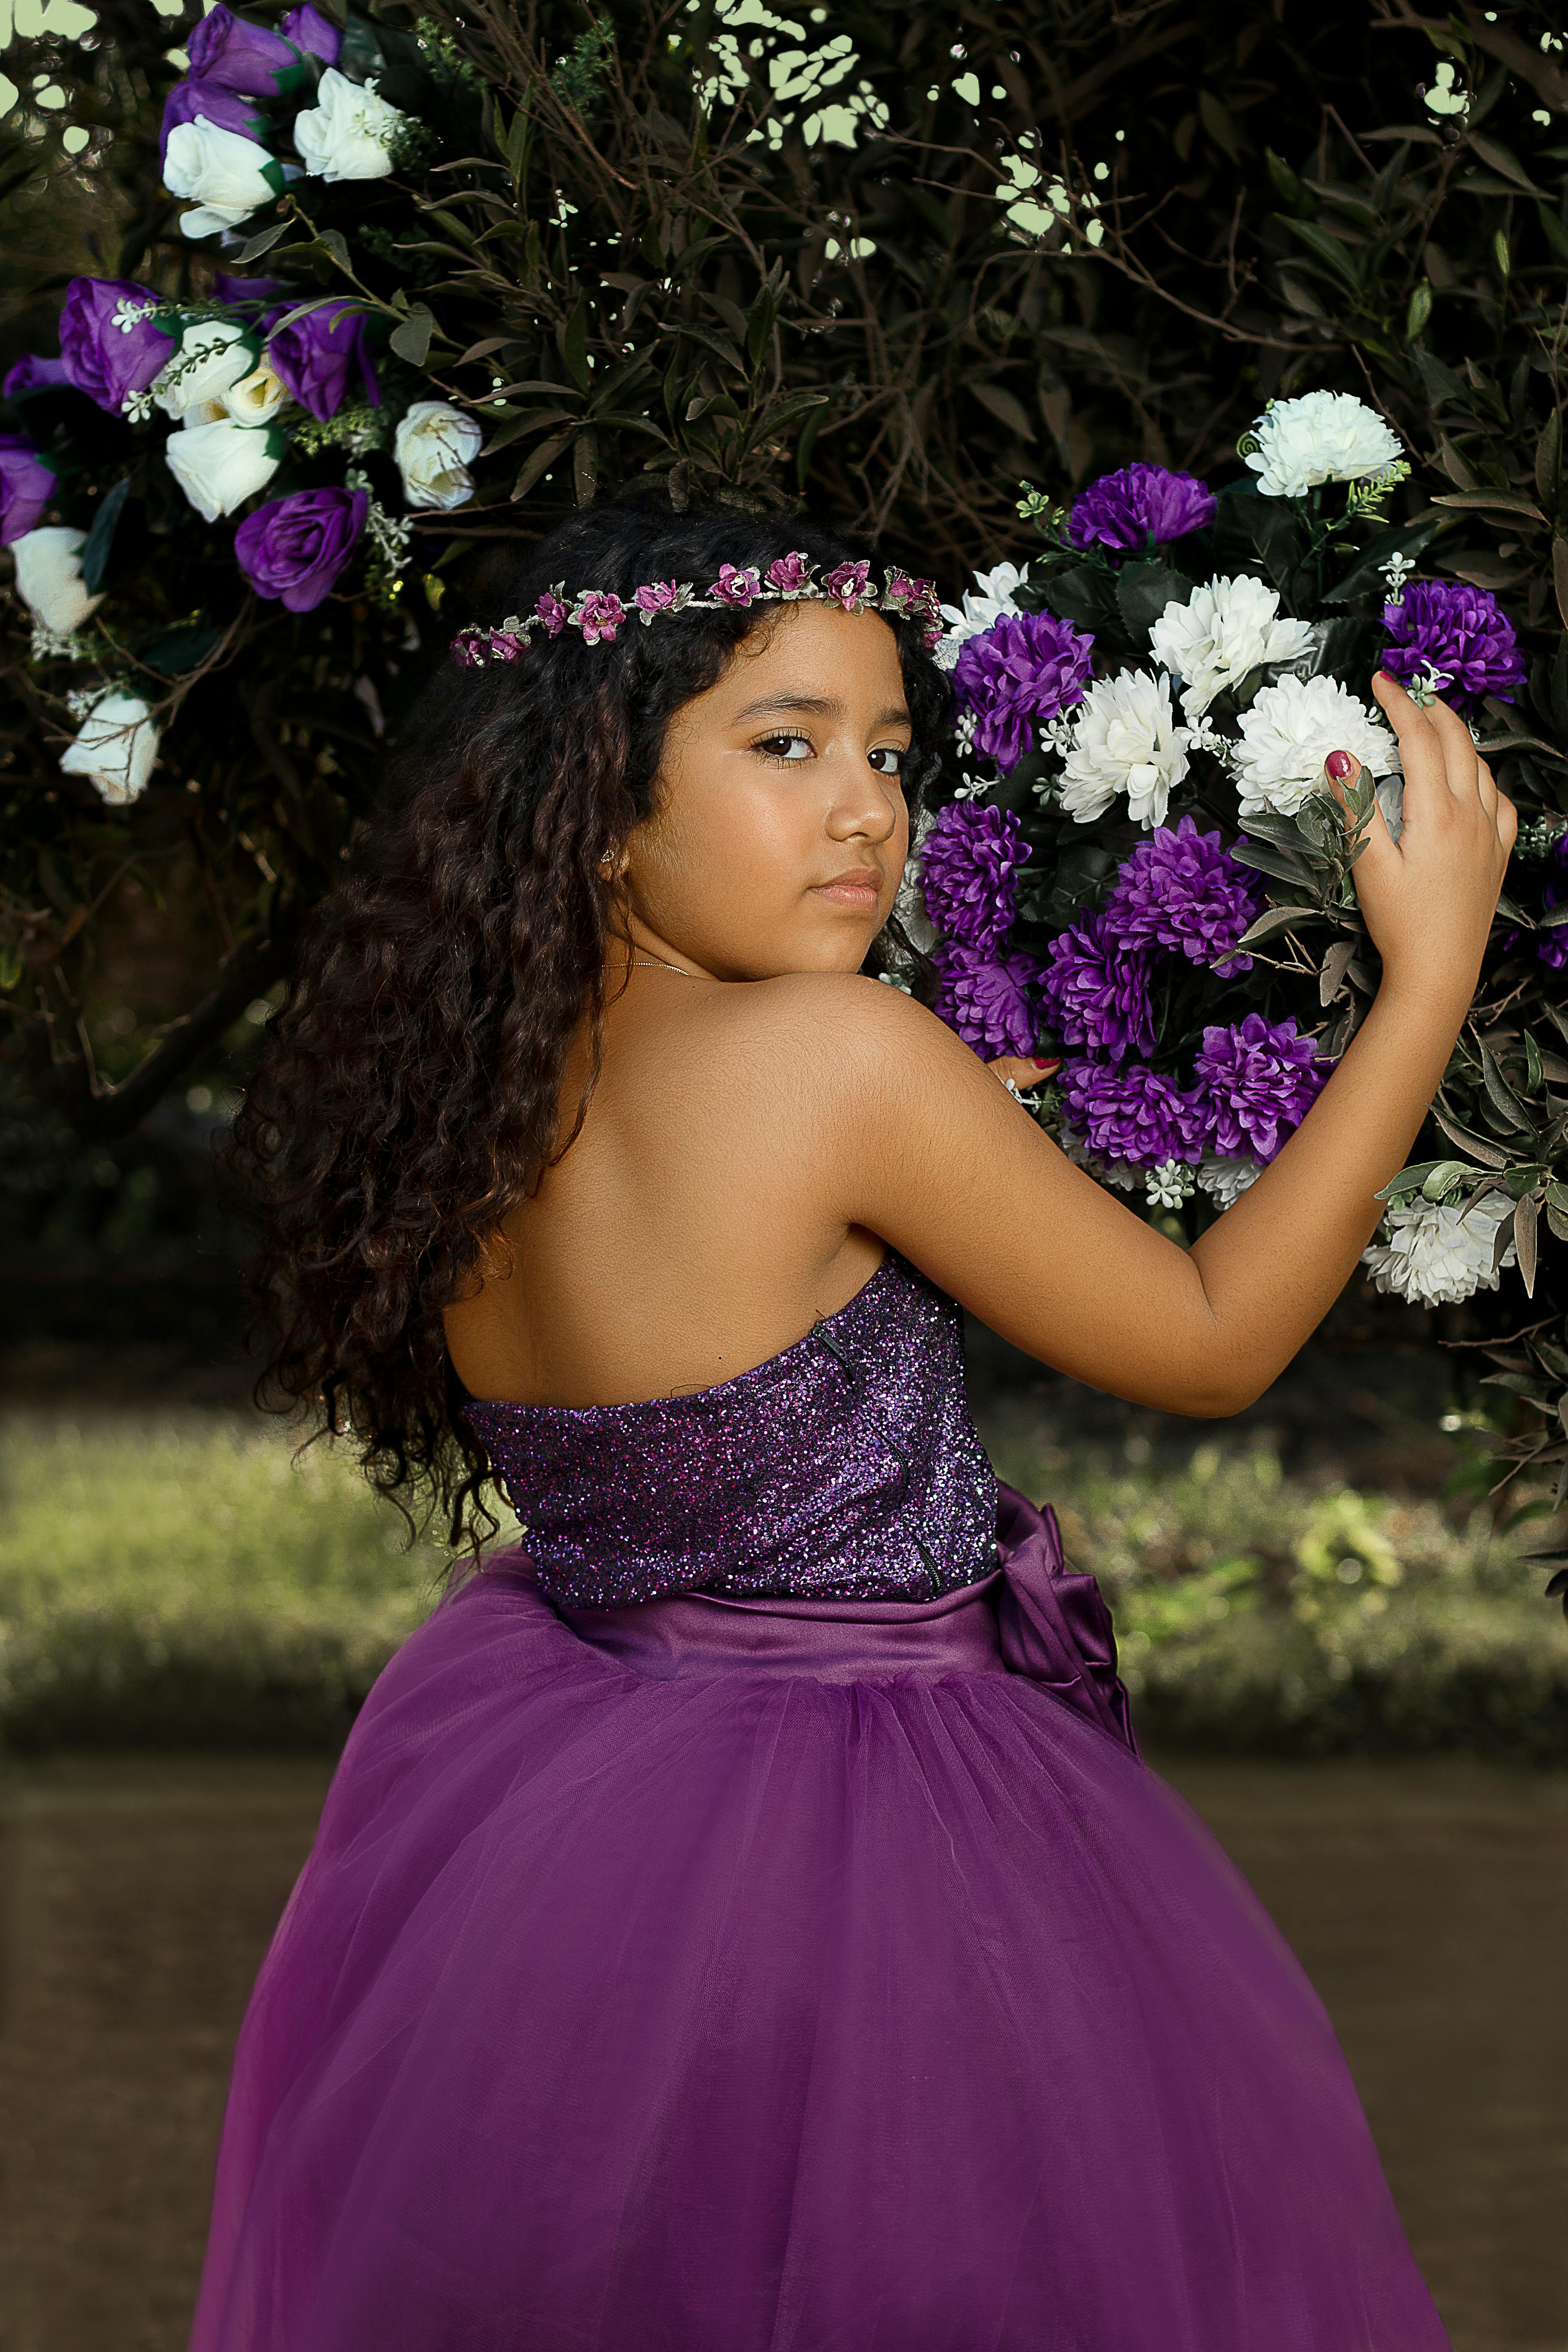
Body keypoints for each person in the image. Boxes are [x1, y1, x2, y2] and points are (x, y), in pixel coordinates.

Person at [192, 498, 1511, 2351]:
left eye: (889, 751)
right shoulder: (841, 1064)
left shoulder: (474, 1096)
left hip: (558, 1814)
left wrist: (934, 1116)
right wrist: (1431, 979)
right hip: (884, 1841)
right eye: (785, 744)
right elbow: (1213, 1344)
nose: (868, 807)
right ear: (606, 794)